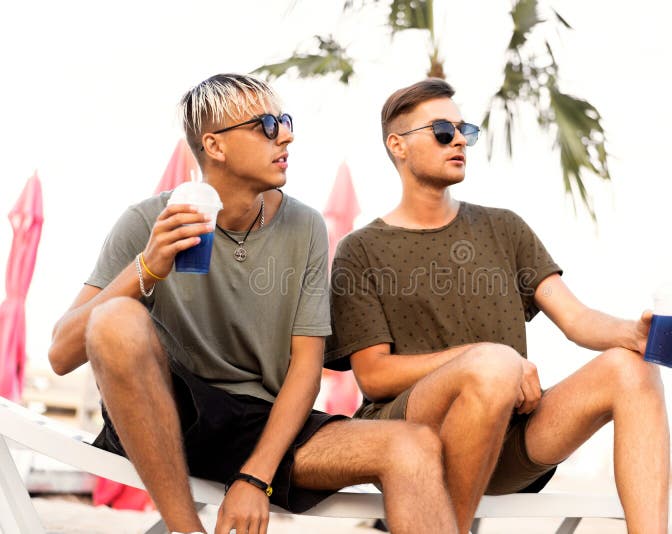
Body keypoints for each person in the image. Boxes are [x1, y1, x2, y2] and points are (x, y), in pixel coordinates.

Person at [48, 74, 457, 534]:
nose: (286, 134)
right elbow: (62, 354)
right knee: (116, 318)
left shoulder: (305, 227)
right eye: (265, 125)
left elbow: (306, 369)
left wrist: (255, 477)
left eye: (285, 121)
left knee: (413, 446)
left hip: (266, 426)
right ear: (215, 146)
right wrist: (148, 266)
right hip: (167, 415)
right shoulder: (148, 220)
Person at [324, 78, 672, 534]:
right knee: (493, 364)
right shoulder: (360, 250)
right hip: (413, 438)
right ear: (398, 145)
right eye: (443, 131)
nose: (460, 139)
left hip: (510, 444)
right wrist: (486, 361)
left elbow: (576, 318)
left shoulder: (504, 228)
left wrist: (633, 334)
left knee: (634, 368)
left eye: (466, 130)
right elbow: (374, 375)